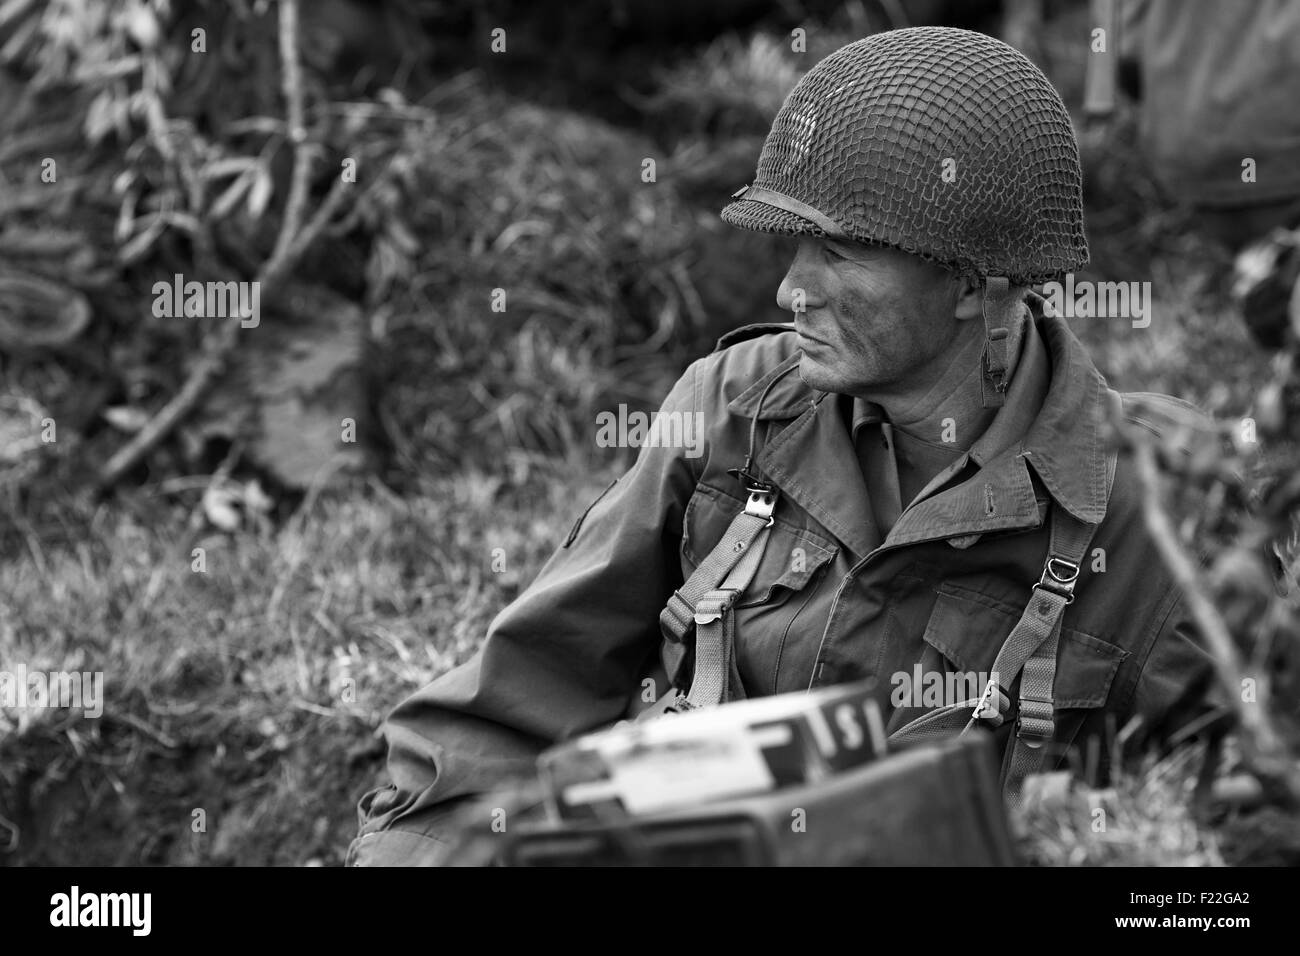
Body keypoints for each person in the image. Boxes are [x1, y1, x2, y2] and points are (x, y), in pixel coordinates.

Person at [349, 26, 1220, 866]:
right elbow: (509, 711)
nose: (791, 287)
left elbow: (1233, 836)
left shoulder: (1158, 518)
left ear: (970, 284)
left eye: (838, 253)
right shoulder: (732, 411)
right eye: (796, 245)